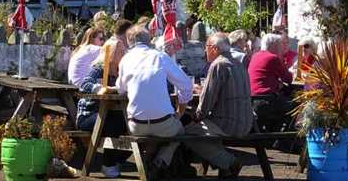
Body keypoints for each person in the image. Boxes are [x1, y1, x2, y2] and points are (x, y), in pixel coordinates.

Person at [118, 25, 241, 178]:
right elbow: (186, 84)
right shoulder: (159, 56)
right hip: (163, 124)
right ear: (149, 39)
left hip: (135, 125)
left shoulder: (125, 59)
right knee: (181, 131)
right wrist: (181, 109)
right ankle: (161, 162)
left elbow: (121, 89)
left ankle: (159, 164)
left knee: (173, 130)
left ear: (129, 41)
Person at [190, 33, 252, 176]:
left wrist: (196, 116)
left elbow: (206, 103)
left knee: (187, 132)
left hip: (228, 123)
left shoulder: (218, 64)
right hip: (247, 122)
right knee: (203, 129)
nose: (205, 51)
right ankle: (223, 166)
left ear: (214, 49)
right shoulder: (238, 63)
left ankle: (229, 162)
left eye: (206, 47)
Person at [249, 33, 293, 132]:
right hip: (265, 100)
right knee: (294, 106)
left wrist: (277, 83)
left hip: (252, 99)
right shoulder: (272, 58)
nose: (281, 48)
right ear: (274, 45)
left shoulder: (255, 56)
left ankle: (273, 135)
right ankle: (282, 140)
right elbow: (288, 78)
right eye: (280, 45)